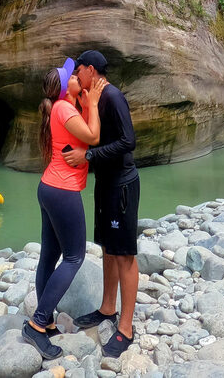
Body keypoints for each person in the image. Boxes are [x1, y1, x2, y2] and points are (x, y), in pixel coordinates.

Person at [21, 57, 105, 360]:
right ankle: (37, 323)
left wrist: (84, 102)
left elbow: (83, 134)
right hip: (62, 190)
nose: (76, 77)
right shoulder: (64, 109)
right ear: (64, 87)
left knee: (49, 255)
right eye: (72, 76)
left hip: (50, 187)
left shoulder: (63, 107)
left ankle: (46, 323)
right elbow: (93, 137)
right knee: (74, 257)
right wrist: (93, 103)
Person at [62, 50, 140, 358]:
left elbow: (128, 141)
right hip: (105, 183)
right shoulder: (94, 98)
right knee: (108, 247)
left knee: (124, 254)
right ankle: (108, 308)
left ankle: (126, 328)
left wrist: (89, 156)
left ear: (91, 70)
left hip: (122, 185)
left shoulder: (113, 96)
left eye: (78, 70)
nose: (76, 76)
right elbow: (91, 135)